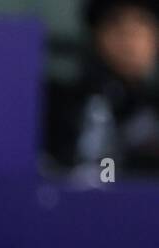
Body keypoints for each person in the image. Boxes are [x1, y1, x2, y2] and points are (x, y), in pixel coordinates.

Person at [45, 0, 159, 176]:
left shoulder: (152, 106)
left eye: (142, 22)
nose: (129, 37)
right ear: (97, 35)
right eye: (115, 22)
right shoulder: (63, 104)